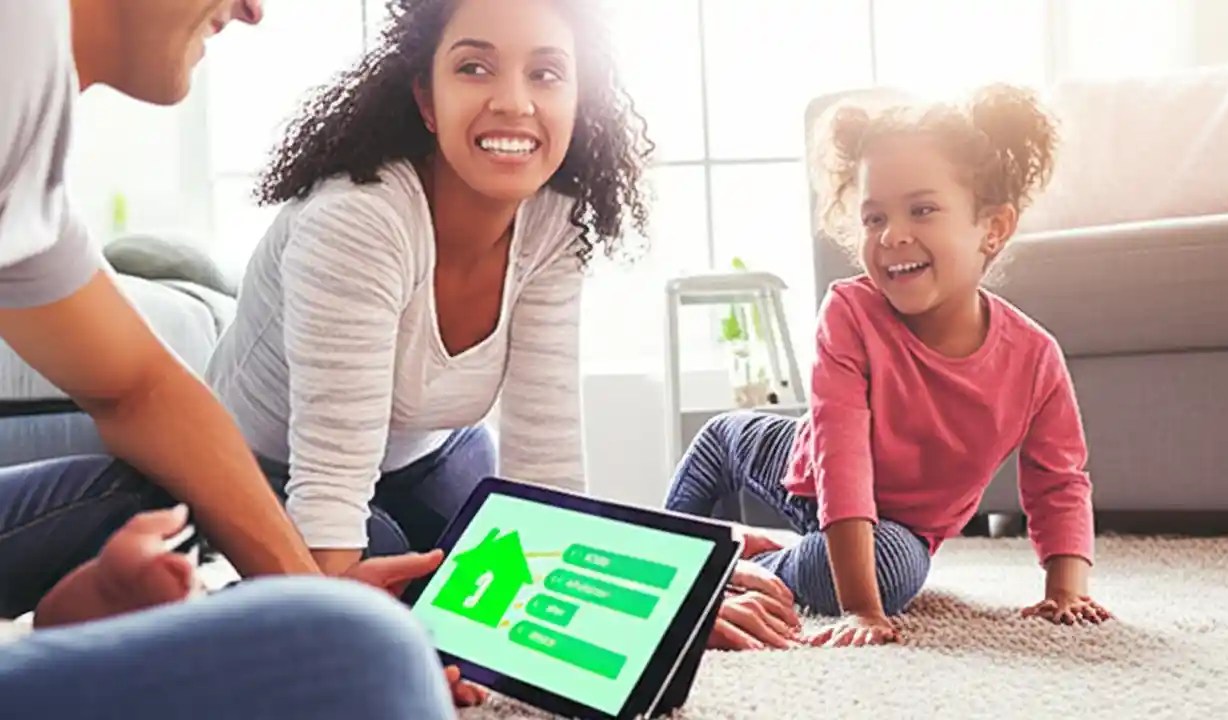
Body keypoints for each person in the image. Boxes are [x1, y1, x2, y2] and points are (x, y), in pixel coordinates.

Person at [205, 0, 799, 650]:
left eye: (546, 74)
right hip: (277, 470)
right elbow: (332, 483)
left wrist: (647, 595)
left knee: (501, 574)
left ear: (579, 102)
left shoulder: (555, 225)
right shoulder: (357, 221)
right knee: (392, 581)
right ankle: (203, 611)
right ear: (427, 101)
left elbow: (545, 475)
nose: (514, 102)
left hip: (434, 454)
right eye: (475, 67)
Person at [0, 1, 456, 716]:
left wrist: (307, 595)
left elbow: (138, 390)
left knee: (169, 499)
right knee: (372, 658)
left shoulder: (26, 143)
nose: (254, 9)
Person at [665, 84, 1113, 648]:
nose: (892, 235)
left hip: (899, 529)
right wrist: (859, 611)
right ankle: (685, 570)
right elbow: (841, 460)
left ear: (993, 228)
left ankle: (751, 568)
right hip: (811, 469)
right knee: (720, 444)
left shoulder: (1035, 359)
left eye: (922, 210)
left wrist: (1066, 587)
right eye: (874, 217)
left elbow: (1060, 480)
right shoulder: (851, 312)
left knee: (894, 572)